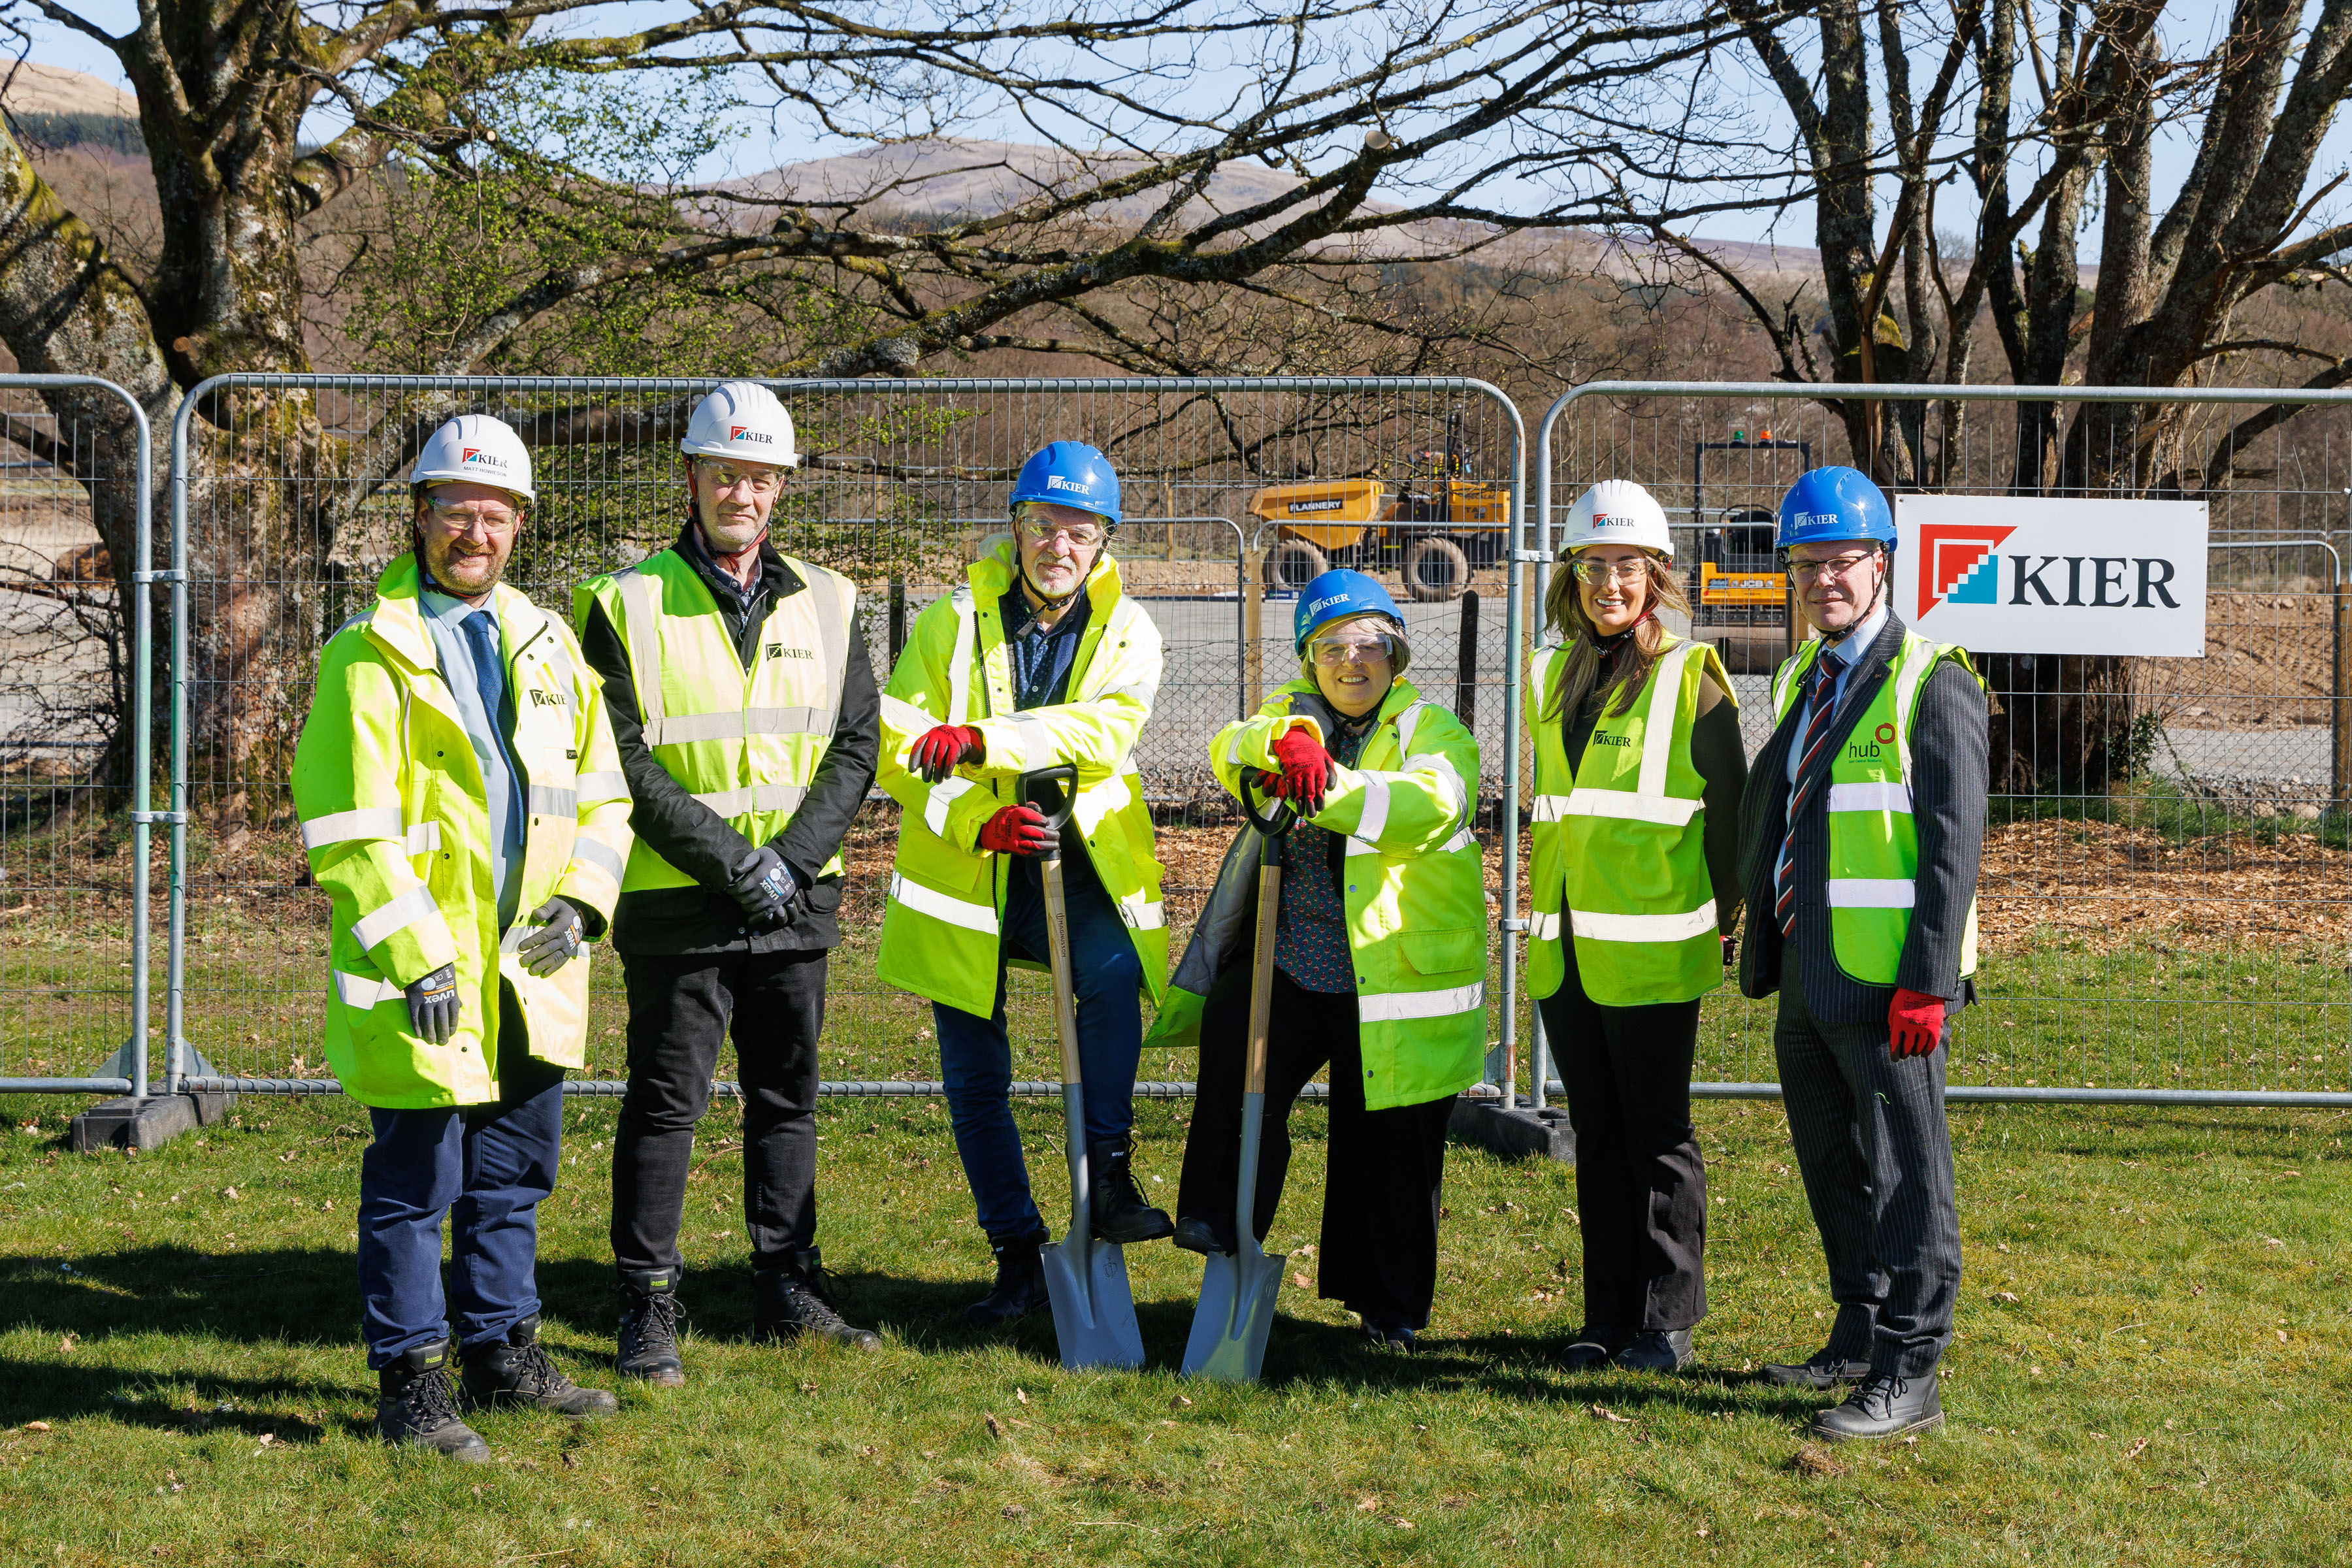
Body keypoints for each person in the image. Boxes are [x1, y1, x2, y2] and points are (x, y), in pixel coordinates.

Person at [291, 414, 634, 1460]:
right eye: (456, 513)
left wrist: (580, 907)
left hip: (530, 968)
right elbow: (348, 826)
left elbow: (604, 794)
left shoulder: (550, 645)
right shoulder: (368, 653)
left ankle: (501, 1351)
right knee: (414, 1184)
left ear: (520, 525)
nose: (474, 533)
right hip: (427, 976)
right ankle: (411, 1384)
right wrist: (416, 954)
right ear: (423, 517)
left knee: (513, 1176)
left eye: (494, 515)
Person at [576, 381, 883, 1381]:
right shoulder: (623, 602)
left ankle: (788, 1282)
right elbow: (622, 758)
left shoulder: (834, 602)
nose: (741, 494)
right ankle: (647, 1304)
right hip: (678, 900)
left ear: (781, 487)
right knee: (667, 1103)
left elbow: (855, 746)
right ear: (693, 478)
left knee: (785, 1099)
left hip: (796, 899)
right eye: (725, 475)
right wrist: (731, 860)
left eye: (760, 477)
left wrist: (786, 864)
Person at [875, 440, 1173, 1328]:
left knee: (1111, 977)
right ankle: (1017, 1256)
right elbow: (898, 747)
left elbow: (1105, 733)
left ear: (1104, 541)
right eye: (1044, 526)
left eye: (1080, 531)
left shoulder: (1131, 629)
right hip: (967, 871)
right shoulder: (948, 622)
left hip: (1075, 863)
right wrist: (976, 816)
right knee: (975, 1074)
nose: (1060, 546)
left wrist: (981, 742)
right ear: (1015, 527)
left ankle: (1109, 1176)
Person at [1158, 570, 1487, 1350]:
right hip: (1294, 957)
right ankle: (1220, 1225)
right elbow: (1228, 746)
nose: (1351, 662)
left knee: (1391, 1148)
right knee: (1239, 1056)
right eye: (1331, 647)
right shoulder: (1289, 713)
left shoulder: (1433, 729)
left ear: (1397, 653)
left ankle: (1389, 1308)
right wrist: (1284, 742)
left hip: (1395, 976)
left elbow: (1432, 804)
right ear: (1310, 660)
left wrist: (1329, 785)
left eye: (1370, 645)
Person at [1735, 465, 1987, 1442]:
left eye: (1842, 561)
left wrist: (1927, 985)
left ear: (1882, 563)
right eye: (1806, 564)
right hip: (1807, 969)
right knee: (1832, 1165)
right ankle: (1856, 1333)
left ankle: (1909, 1370)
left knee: (1909, 1175)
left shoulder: (1936, 680)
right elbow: (1789, 808)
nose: (1823, 580)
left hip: (1891, 990)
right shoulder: (1809, 671)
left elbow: (1951, 852)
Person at [1527, 482, 1746, 1375]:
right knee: (1598, 1135)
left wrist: (1723, 923)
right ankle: (1605, 1313)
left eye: (1627, 567)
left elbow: (1732, 821)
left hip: (1654, 947)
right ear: (1571, 576)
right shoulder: (1550, 675)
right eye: (1592, 566)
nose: (1609, 583)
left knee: (1656, 1137)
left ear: (1657, 576)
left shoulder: (1692, 680)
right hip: (1567, 949)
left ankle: (1664, 1320)